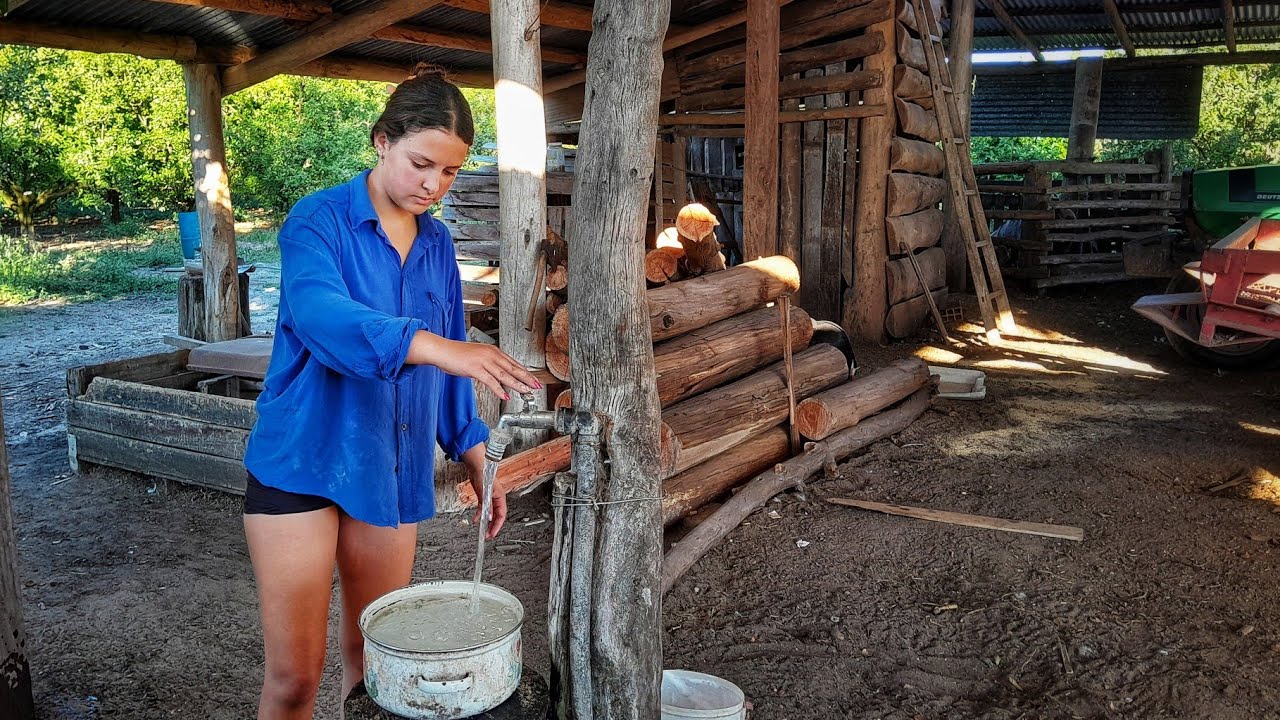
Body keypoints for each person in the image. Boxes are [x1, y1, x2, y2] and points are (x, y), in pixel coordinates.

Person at [240, 64, 540, 720]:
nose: (434, 186)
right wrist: (439, 346)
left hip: (389, 466)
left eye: (451, 172)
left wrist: (475, 451)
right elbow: (322, 318)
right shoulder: (316, 220)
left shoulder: (435, 241)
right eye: (420, 163)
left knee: (374, 668)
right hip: (303, 462)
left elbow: (452, 370)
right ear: (381, 141)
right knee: (294, 678)